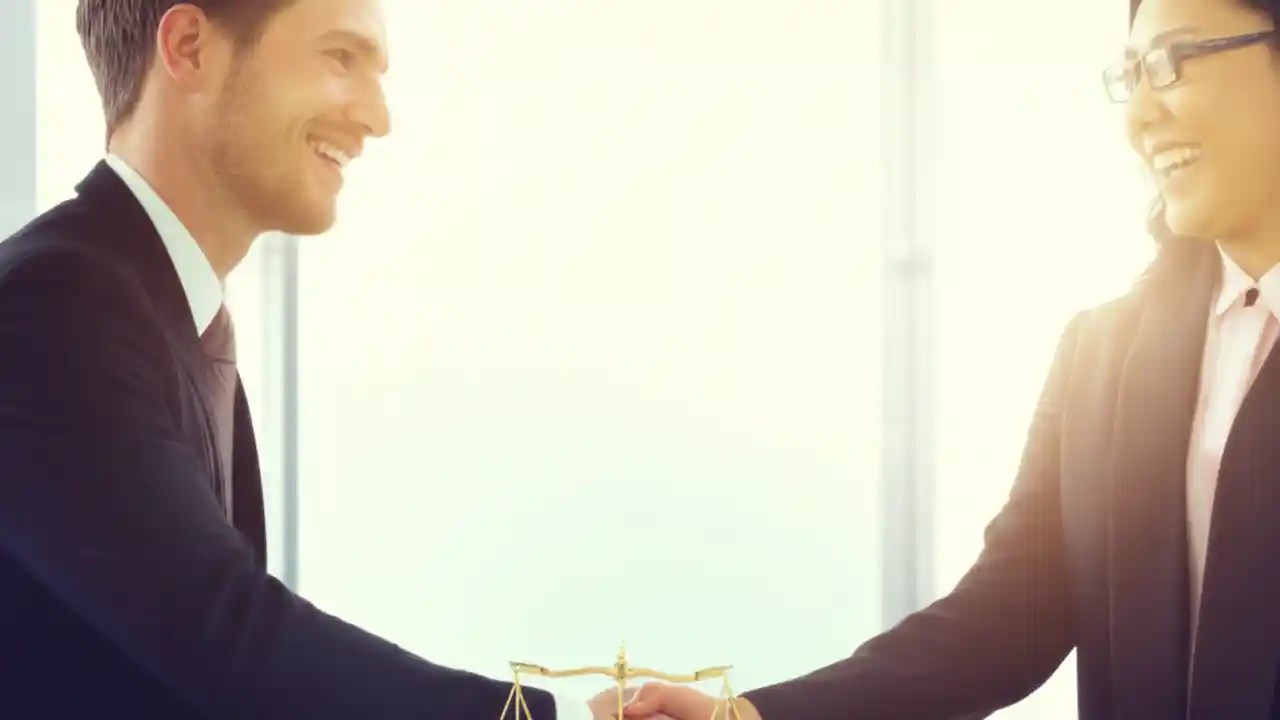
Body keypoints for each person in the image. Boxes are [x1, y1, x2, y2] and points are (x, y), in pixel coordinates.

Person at [620, 0, 1280, 718]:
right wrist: (745, 716)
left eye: (1171, 63)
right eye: (1130, 75)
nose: (1140, 115)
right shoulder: (1103, 358)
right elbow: (1004, 620)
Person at [0, 1, 611, 717]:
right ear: (191, 48)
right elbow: (227, 641)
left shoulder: (167, 310)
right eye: (339, 58)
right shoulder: (54, 303)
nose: (378, 117)